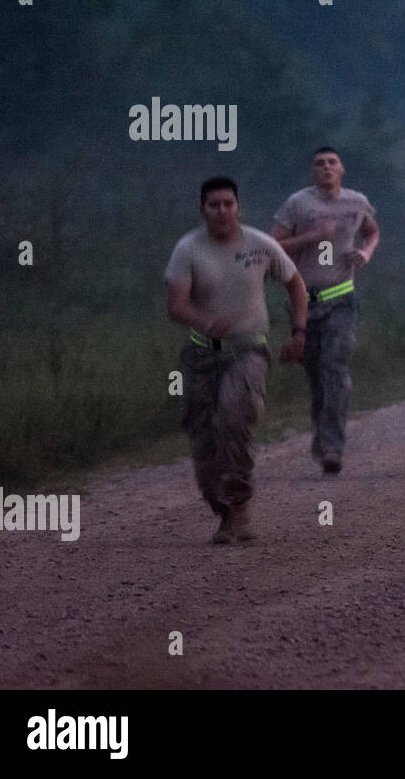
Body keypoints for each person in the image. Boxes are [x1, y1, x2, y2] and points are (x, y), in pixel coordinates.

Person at [165, 177, 308, 544]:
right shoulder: (188, 248)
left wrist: (299, 332)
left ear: (239, 207)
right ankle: (222, 509)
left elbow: (295, 284)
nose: (222, 211)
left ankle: (240, 506)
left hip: (248, 349)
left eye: (228, 204)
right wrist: (204, 320)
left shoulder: (261, 244)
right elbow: (177, 305)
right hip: (202, 353)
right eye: (214, 205)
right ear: (202, 210)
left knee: (234, 416)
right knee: (203, 435)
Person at [270, 146, 379, 475]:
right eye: (320, 164)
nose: (327, 168)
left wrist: (366, 252)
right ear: (312, 172)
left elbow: (371, 231)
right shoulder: (298, 203)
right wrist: (314, 237)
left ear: (342, 168)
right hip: (304, 300)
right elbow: (274, 245)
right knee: (317, 376)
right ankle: (322, 431)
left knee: (335, 369)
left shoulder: (356, 201)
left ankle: (333, 446)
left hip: (342, 297)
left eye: (332, 162)